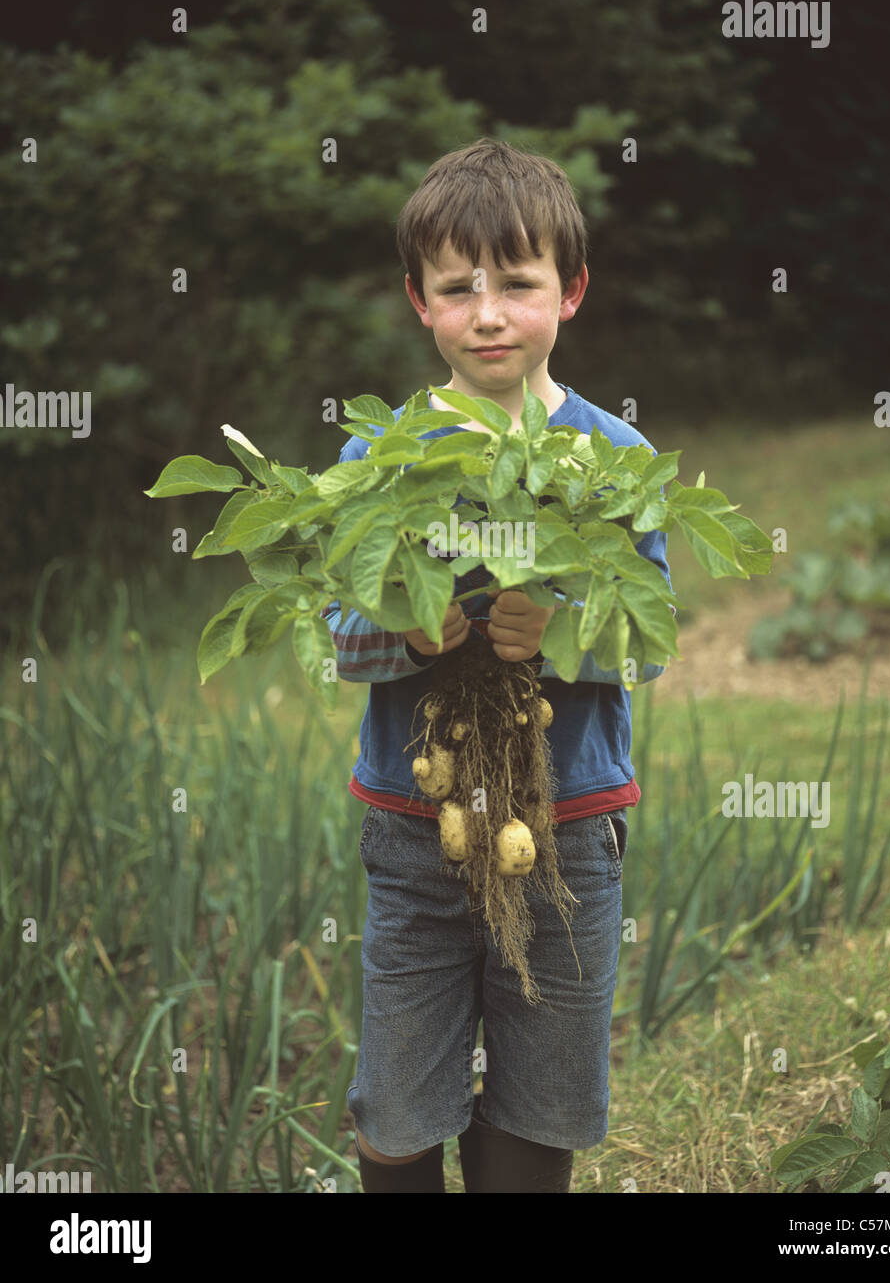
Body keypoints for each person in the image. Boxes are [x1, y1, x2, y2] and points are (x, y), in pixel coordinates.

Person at [323, 138, 672, 1192]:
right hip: (417, 828)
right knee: (396, 1100)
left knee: (544, 1100)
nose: (487, 313)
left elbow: (647, 641)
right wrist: (412, 633)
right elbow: (341, 630)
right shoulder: (375, 458)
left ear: (569, 292)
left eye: (517, 284)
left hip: (564, 828)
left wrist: (557, 632)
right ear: (417, 301)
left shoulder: (617, 459)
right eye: (456, 287)